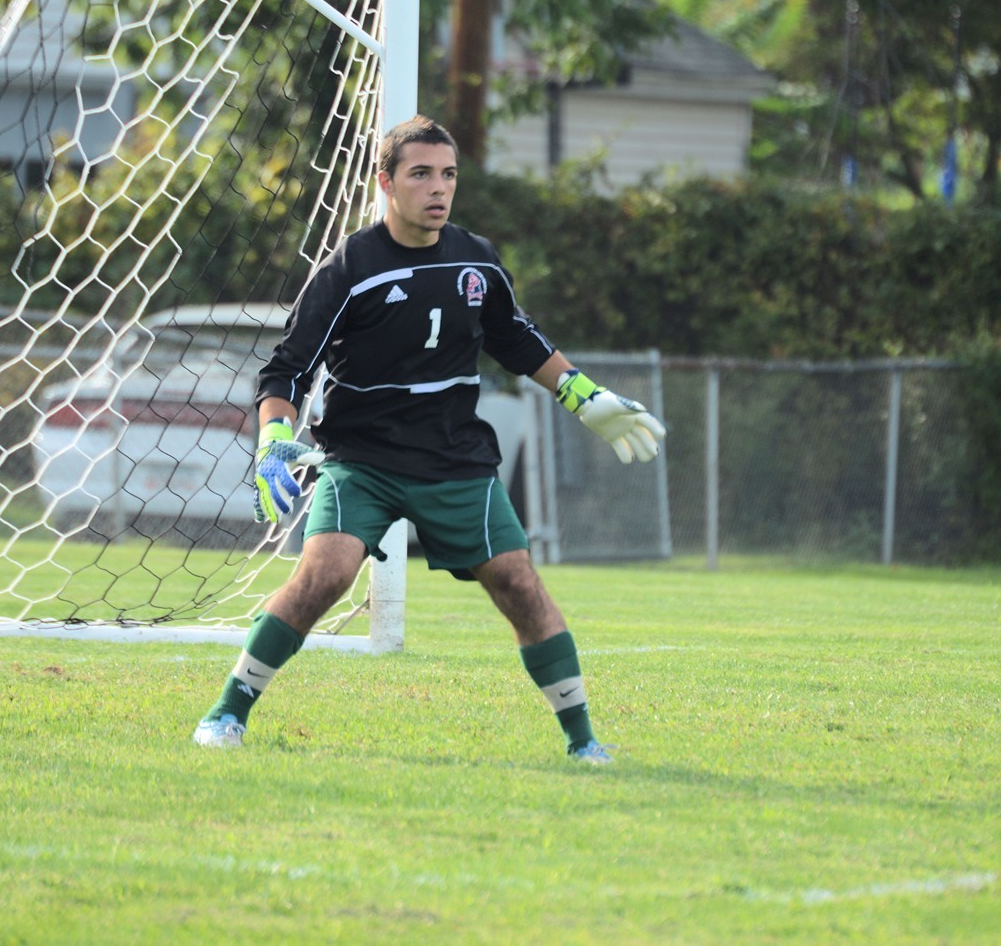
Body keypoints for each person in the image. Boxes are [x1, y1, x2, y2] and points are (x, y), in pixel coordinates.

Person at [192, 115, 665, 764]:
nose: (438, 189)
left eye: (448, 175)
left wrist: (588, 398)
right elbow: (286, 370)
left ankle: (584, 743)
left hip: (454, 458)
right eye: (420, 175)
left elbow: (518, 341)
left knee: (518, 582)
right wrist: (274, 438)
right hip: (361, 459)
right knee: (323, 575)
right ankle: (225, 714)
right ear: (385, 183)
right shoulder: (349, 267)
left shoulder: (476, 258)